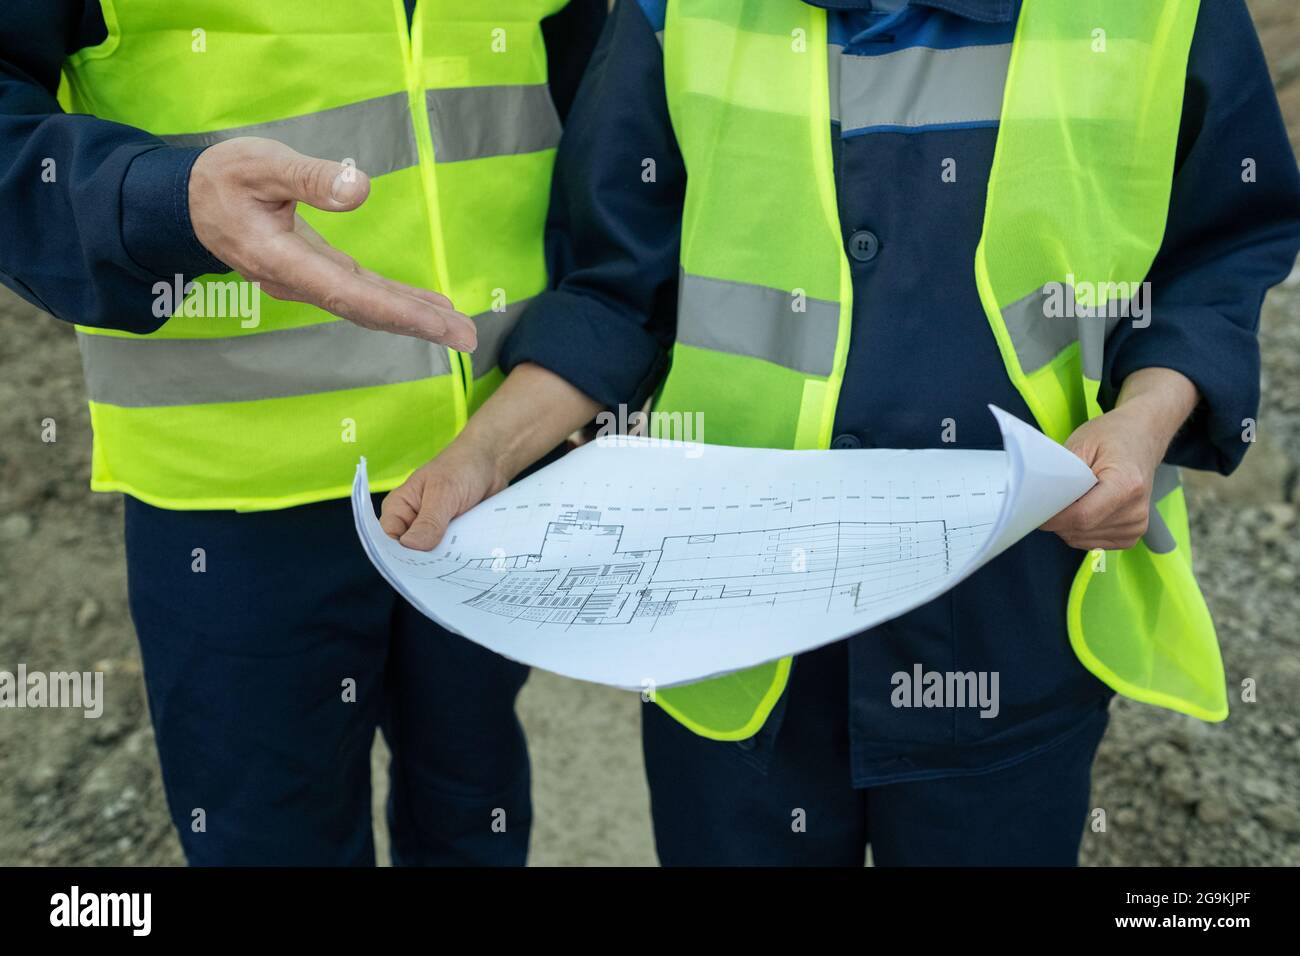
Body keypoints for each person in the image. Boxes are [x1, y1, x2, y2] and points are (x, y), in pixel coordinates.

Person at [382, 0, 1300, 865]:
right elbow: (615, 292)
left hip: (1013, 623)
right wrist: (484, 456)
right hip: (727, 637)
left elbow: (1217, 248)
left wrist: (1146, 416)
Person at [0, 0, 605, 865]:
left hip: (484, 463)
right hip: (232, 502)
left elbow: (585, 105)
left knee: (476, 813)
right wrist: (161, 200)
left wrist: (576, 362)